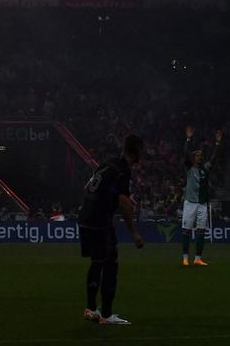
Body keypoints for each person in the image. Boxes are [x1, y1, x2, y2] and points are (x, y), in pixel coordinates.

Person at [77, 134, 145, 325]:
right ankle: (106, 315)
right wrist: (134, 232)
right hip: (100, 220)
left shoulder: (108, 163)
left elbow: (86, 188)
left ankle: (91, 309)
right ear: (137, 150)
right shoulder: (123, 170)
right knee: (111, 263)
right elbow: (124, 202)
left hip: (86, 217)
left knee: (97, 261)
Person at [181, 126, 222, 266]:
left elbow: (214, 157)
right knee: (186, 230)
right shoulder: (189, 167)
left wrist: (217, 143)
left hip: (203, 204)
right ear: (193, 158)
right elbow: (185, 152)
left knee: (201, 231)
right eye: (197, 155)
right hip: (190, 203)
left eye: (200, 155)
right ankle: (185, 257)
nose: (200, 157)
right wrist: (188, 138)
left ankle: (198, 258)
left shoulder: (205, 169)